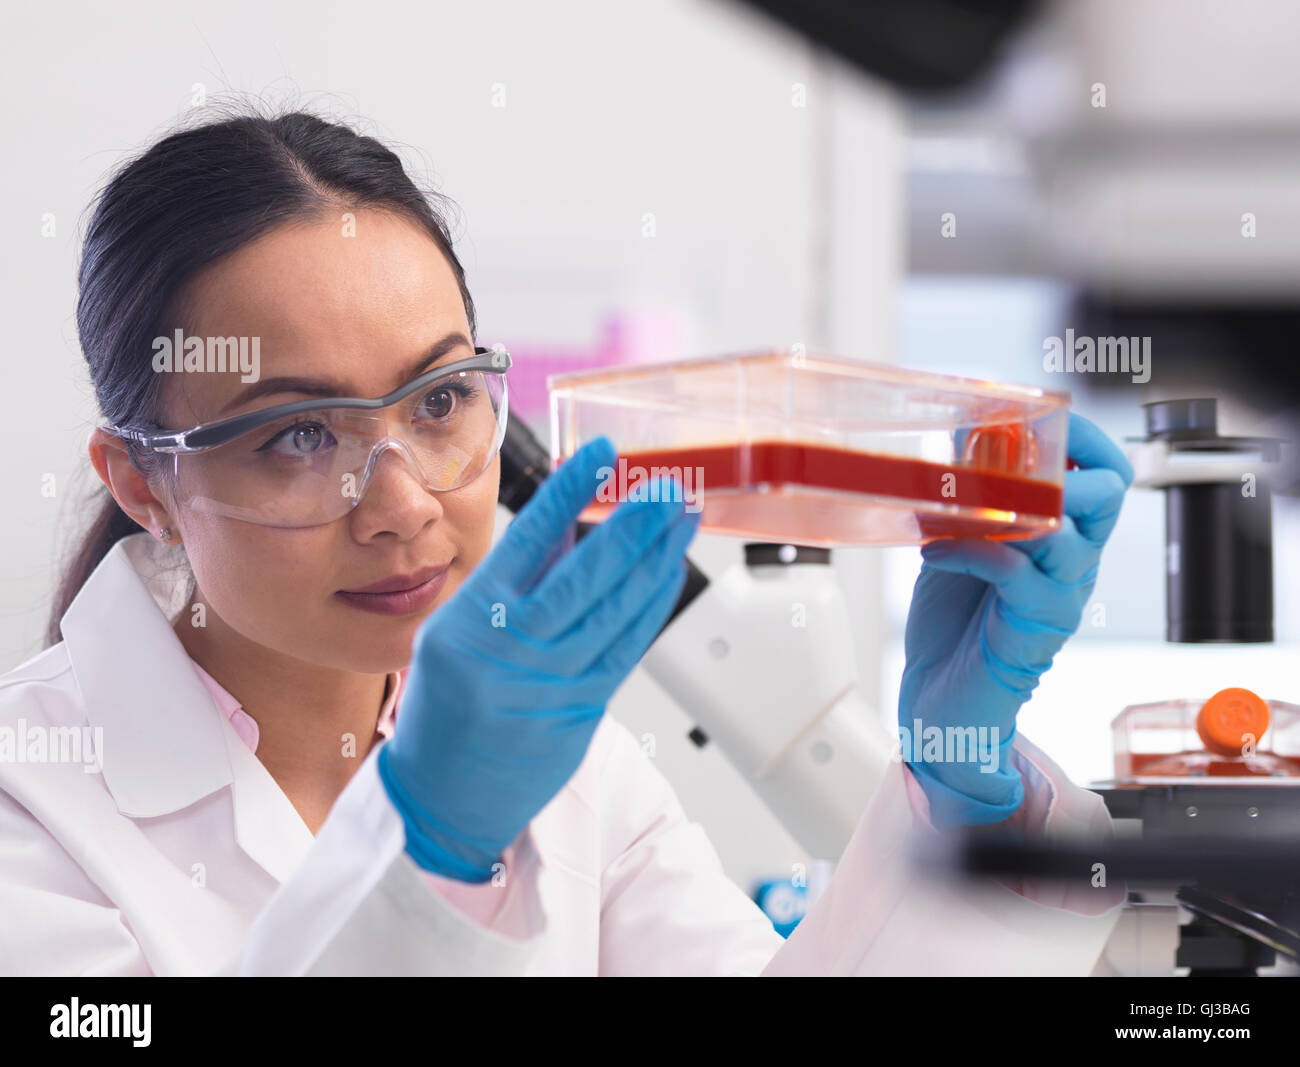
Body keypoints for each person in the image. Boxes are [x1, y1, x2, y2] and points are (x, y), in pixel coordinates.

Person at [0, 105, 1130, 976]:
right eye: (298, 433)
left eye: (439, 400)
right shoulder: (31, 811)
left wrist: (960, 777)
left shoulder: (573, 768)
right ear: (143, 482)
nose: (399, 503)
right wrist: (429, 847)